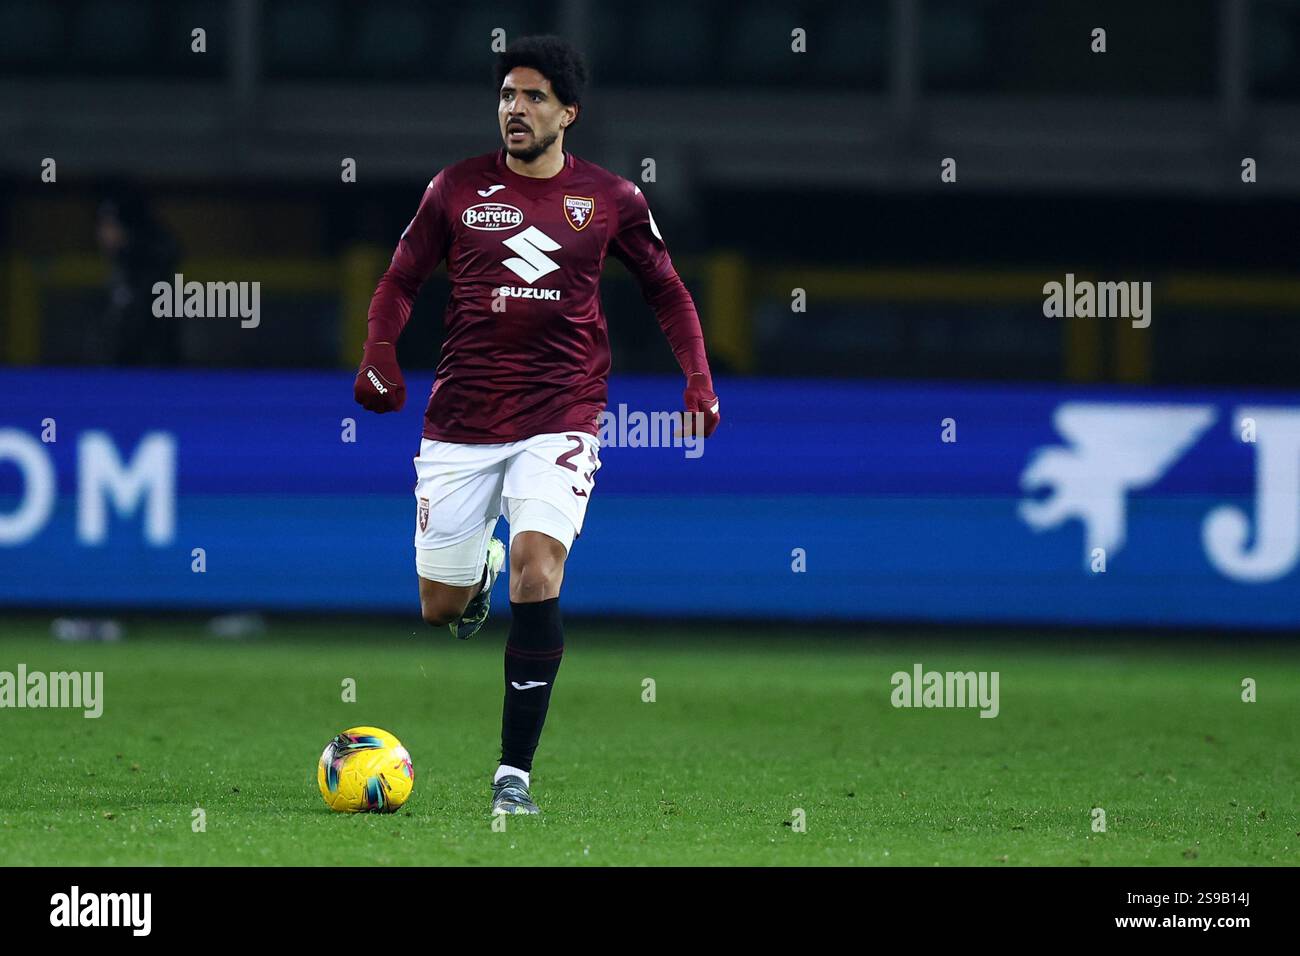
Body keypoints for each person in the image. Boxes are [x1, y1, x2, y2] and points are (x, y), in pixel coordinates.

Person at [353, 35, 720, 816]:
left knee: (539, 569)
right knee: (440, 608)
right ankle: (475, 573)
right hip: (461, 420)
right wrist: (380, 349)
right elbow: (401, 277)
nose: (514, 110)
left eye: (533, 98)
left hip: (562, 414)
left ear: (569, 113)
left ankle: (511, 777)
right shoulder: (454, 189)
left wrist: (697, 371)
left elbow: (667, 289)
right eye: (507, 97)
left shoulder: (613, 199)